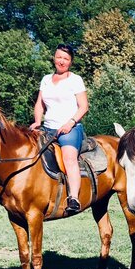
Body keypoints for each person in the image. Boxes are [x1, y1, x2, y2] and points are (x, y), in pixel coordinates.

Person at [30, 43, 89, 212]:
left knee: (69, 159)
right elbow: (40, 104)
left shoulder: (75, 79)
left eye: (66, 58)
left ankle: (74, 199)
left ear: (70, 62)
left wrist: (70, 123)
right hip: (47, 128)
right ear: (54, 58)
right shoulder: (46, 79)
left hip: (70, 128)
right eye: (59, 57)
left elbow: (83, 106)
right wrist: (37, 121)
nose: (61, 61)